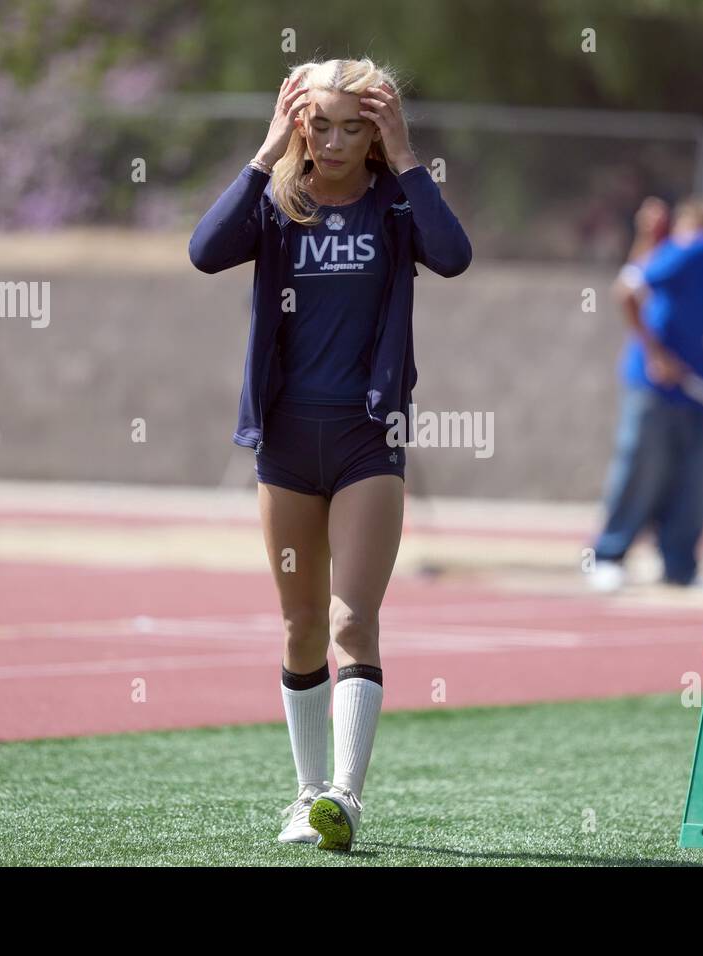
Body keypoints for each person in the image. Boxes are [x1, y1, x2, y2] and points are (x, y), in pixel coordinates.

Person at [189, 58, 471, 852]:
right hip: (284, 440)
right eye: (322, 123)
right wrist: (266, 149)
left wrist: (408, 156)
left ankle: (345, 795)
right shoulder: (282, 203)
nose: (337, 141)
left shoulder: (395, 204)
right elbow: (205, 251)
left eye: (356, 125)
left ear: (377, 129)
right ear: (300, 122)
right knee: (300, 624)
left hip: (364, 438)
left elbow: (453, 256)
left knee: (354, 619)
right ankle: (306, 792)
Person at [588, 200, 703, 591]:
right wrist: (656, 354)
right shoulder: (691, 253)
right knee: (642, 469)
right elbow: (627, 290)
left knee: (696, 482)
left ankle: (679, 565)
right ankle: (608, 556)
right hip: (655, 387)